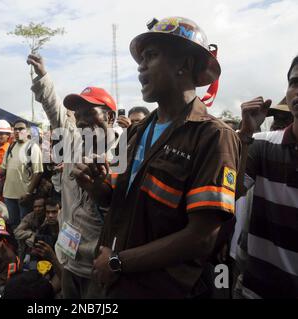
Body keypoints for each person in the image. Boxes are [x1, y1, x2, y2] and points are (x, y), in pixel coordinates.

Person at [73, 17, 241, 298]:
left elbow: (201, 238)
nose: (140, 66)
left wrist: (118, 262)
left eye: (150, 56)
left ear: (184, 65)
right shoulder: (136, 133)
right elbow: (113, 198)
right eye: (140, 58)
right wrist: (97, 187)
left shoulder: (213, 136)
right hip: (110, 281)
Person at [27, 53, 117, 298]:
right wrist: (43, 76)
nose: (82, 121)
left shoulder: (123, 157)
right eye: (78, 115)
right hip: (67, 256)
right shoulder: (72, 146)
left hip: (98, 266)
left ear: (109, 116)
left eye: (90, 113)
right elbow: (54, 111)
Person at [232, 56, 298, 298]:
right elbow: (230, 193)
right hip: (256, 290)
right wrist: (246, 136)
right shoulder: (262, 145)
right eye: (295, 82)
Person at [0, 119, 43, 229]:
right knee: (13, 224)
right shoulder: (11, 147)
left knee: (25, 225)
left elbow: (38, 172)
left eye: (21, 129)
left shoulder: (33, 147)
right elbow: (3, 168)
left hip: (23, 196)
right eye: (15, 129)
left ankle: (23, 246)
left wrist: (28, 193)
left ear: (28, 131)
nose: (18, 131)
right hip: (9, 194)